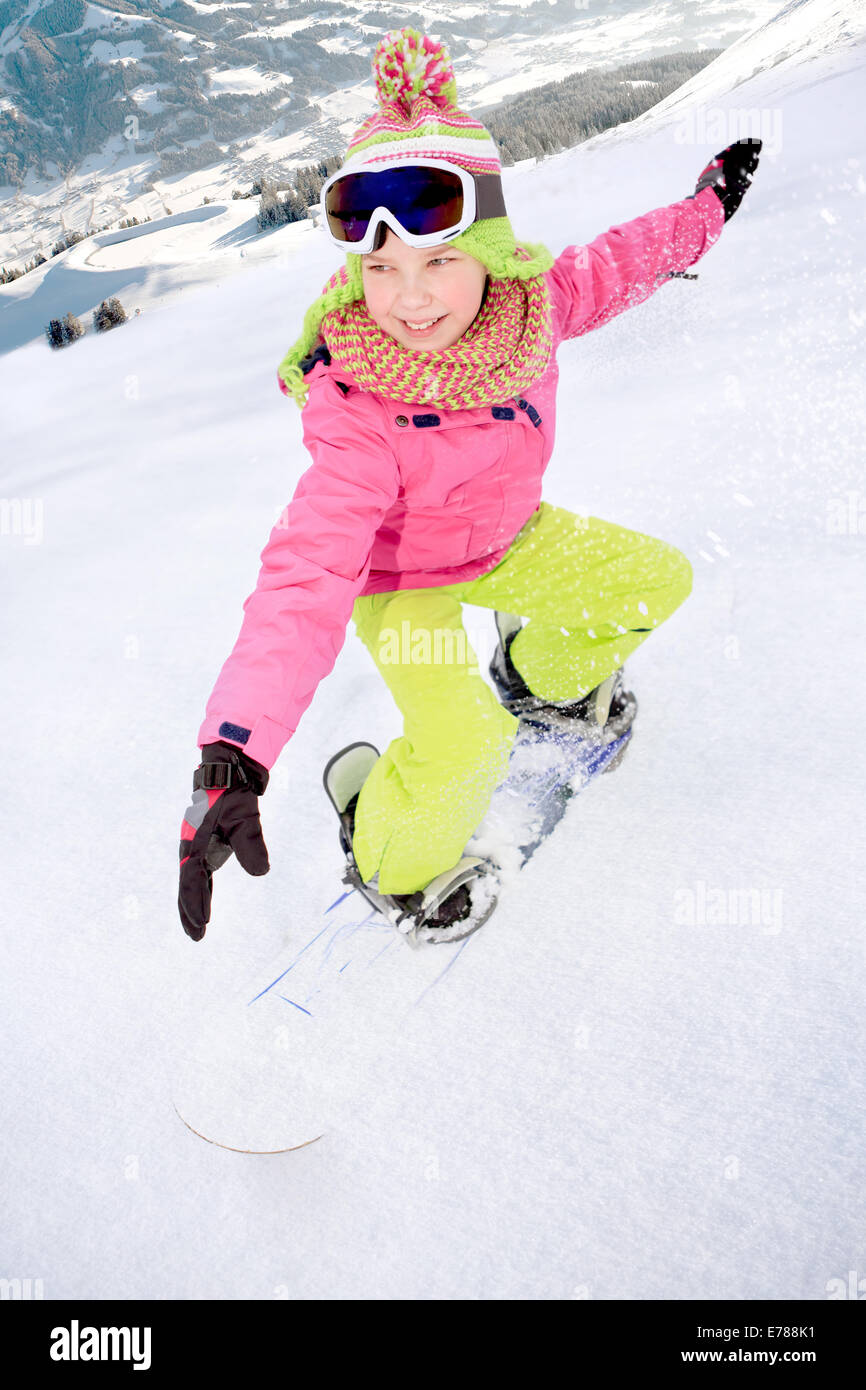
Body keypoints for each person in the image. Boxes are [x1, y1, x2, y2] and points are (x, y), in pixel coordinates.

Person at [178, 27, 761, 941]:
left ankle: (541, 680)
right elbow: (308, 570)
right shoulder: (360, 404)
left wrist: (708, 211)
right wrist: (235, 752)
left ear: (489, 251)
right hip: (399, 583)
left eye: (438, 261)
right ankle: (386, 859)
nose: (408, 298)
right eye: (380, 270)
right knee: (468, 745)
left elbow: (620, 262)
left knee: (654, 580)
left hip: (505, 539)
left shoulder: (531, 313)